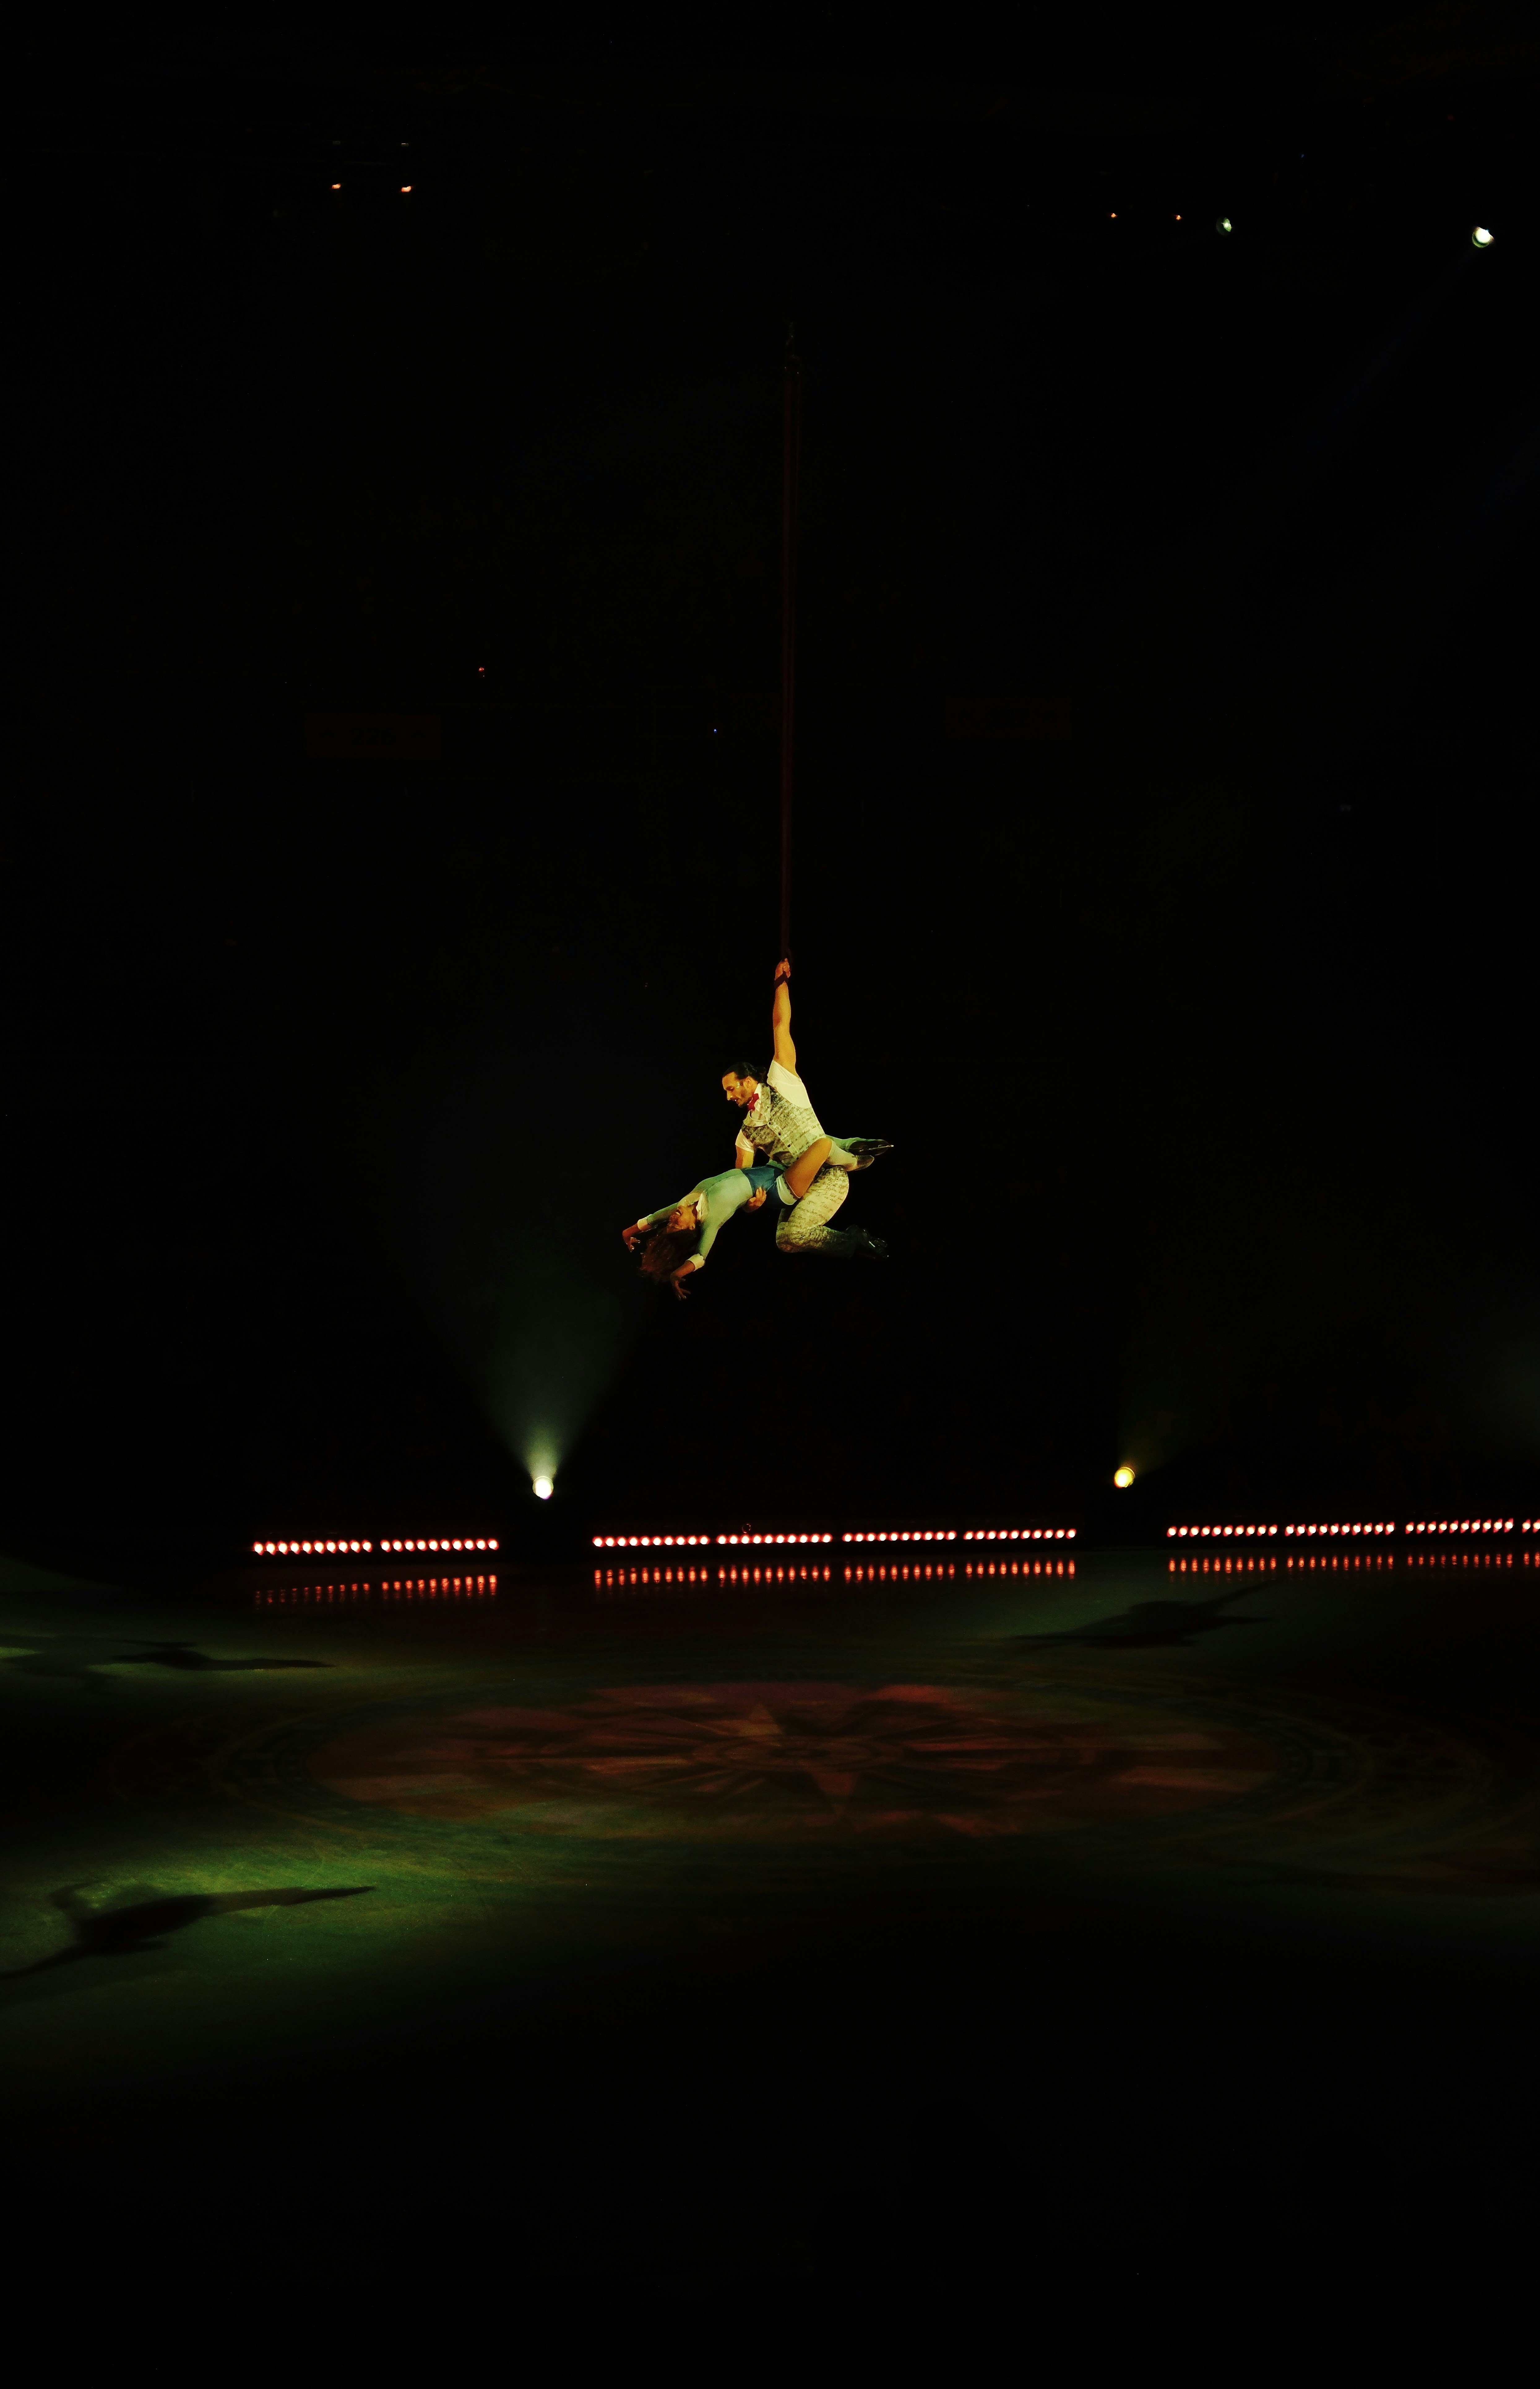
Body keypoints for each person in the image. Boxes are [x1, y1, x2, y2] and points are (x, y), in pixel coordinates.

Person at [723, 959, 891, 1257]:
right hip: (798, 1187)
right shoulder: (745, 1134)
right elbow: (742, 1181)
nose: (728, 1097)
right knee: (786, 1240)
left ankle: (851, 1157)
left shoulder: (781, 1080)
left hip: (830, 1177)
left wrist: (780, 983)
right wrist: (751, 1205)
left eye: (731, 1088)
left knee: (821, 1147)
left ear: (748, 1081)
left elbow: (780, 1025)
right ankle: (852, 1240)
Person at [622, 1138, 836, 1299]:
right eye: (675, 1225)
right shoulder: (711, 1221)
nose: (672, 1218)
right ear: (691, 1228)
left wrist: (627, 1233)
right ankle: (850, 1160)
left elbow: (652, 1219)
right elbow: (701, 1256)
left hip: (772, 1167)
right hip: (781, 1189)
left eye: (669, 1222)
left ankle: (847, 1154)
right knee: (823, 1145)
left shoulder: (685, 1203)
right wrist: (676, 1275)